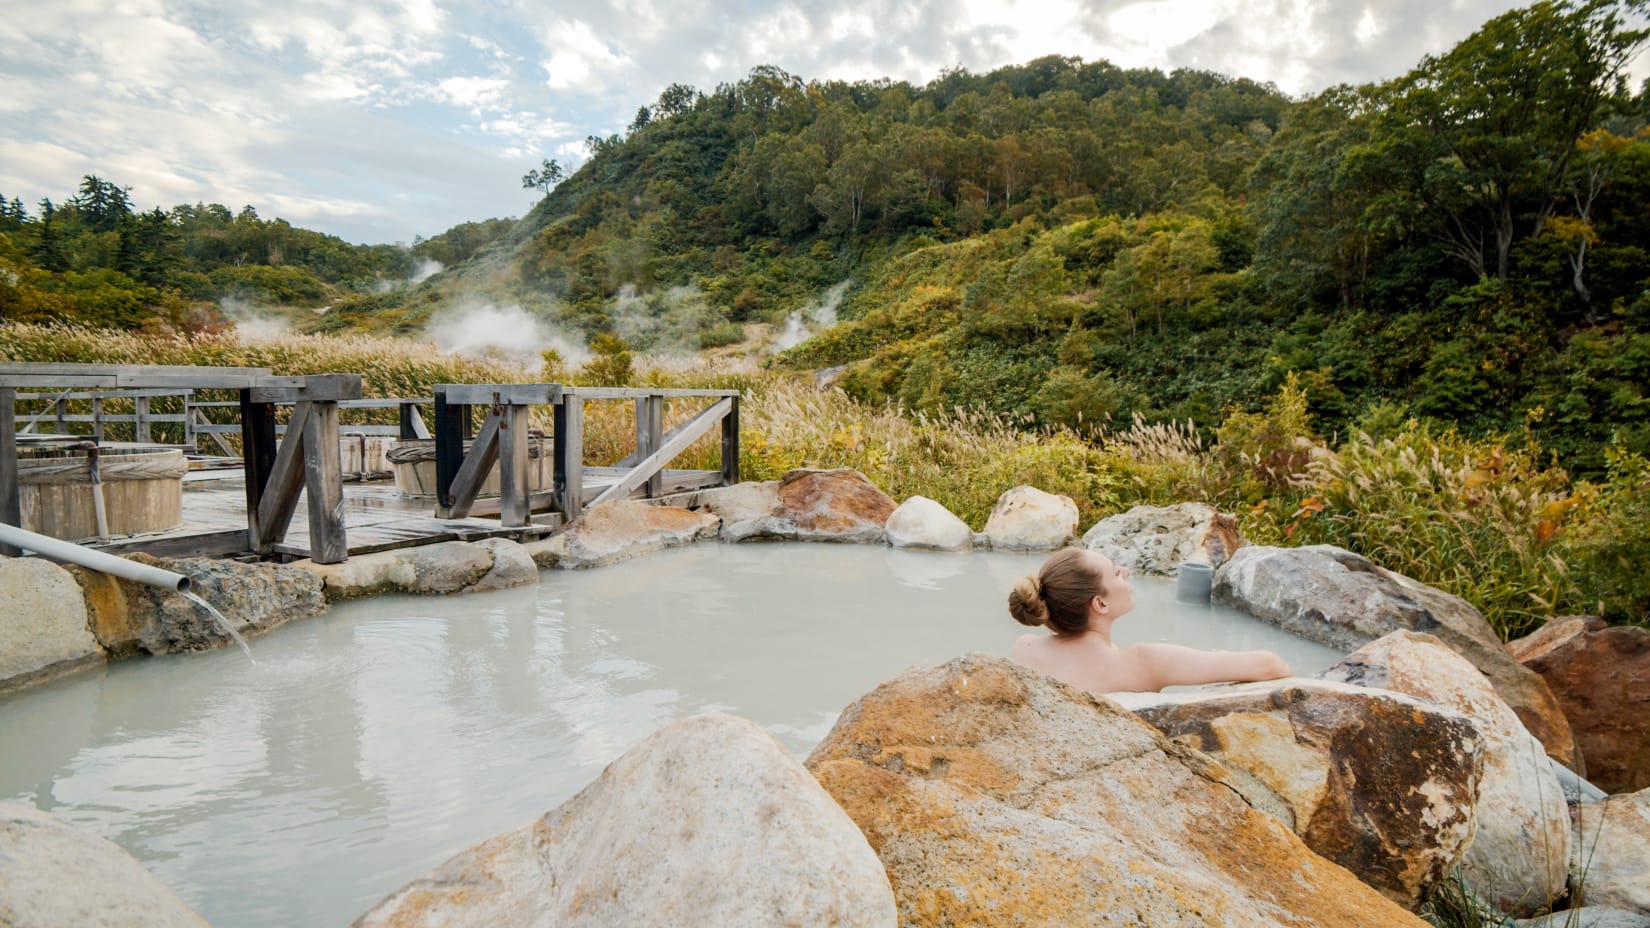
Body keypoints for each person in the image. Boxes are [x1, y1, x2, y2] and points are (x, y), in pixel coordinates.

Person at [1008, 547, 1290, 694]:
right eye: (1116, 573)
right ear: (1100, 604)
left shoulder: (1027, 650)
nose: (1127, 571)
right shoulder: (1143, 662)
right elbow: (1271, 665)